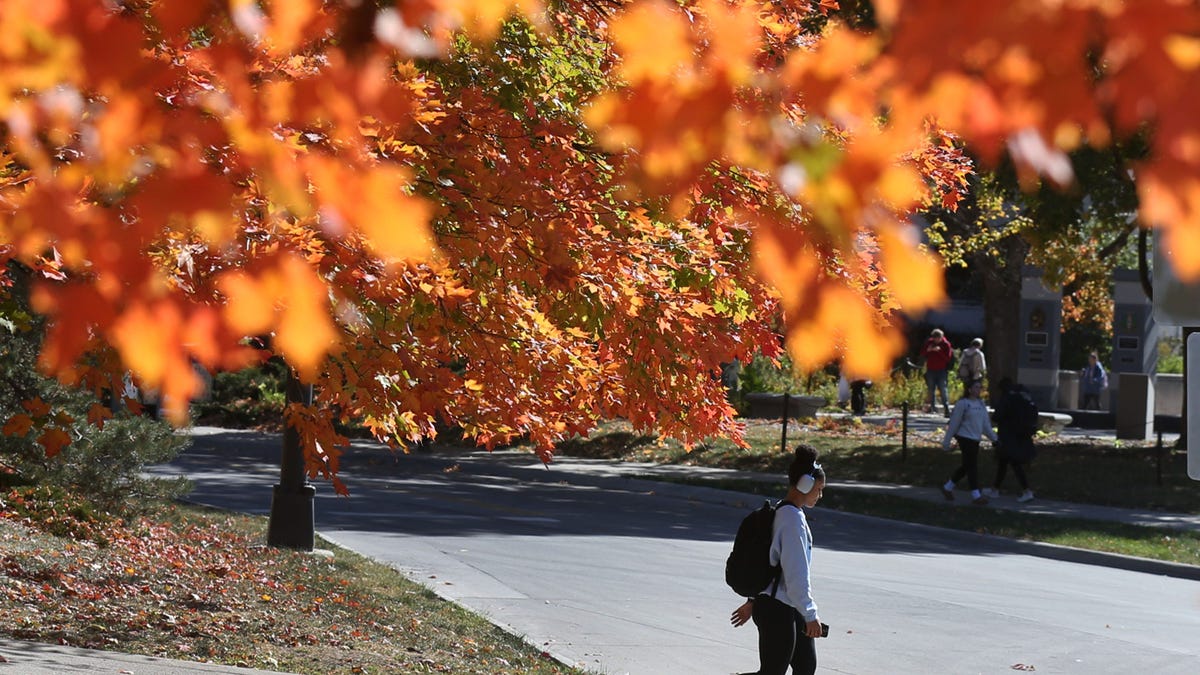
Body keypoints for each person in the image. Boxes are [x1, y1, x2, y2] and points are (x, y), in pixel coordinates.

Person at [731, 444, 826, 675]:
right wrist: (810, 614)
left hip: (786, 605)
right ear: (806, 484)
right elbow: (795, 572)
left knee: (805, 667)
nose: (820, 495)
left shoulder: (789, 513)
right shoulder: (791, 519)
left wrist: (753, 601)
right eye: (820, 489)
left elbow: (772, 565)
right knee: (773, 672)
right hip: (777, 609)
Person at [940, 378, 998, 505]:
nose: (978, 390)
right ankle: (976, 495)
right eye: (976, 387)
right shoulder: (963, 404)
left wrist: (995, 439)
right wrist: (946, 442)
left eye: (980, 387)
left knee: (967, 466)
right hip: (964, 437)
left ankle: (947, 487)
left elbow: (985, 425)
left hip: (975, 439)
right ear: (969, 389)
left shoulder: (981, 404)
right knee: (972, 466)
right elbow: (954, 424)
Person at [985, 378, 1037, 503]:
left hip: (1008, 435)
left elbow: (997, 416)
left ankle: (1027, 491)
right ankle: (995, 489)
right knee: (1003, 462)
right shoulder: (1022, 397)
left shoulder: (1007, 398)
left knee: (1014, 463)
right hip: (1021, 435)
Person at [921, 328, 954, 416]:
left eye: (938, 338)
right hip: (930, 369)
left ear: (941, 337)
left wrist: (939, 351)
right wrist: (928, 350)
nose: (936, 340)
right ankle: (932, 408)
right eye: (934, 338)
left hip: (941, 370)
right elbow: (923, 354)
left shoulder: (946, 344)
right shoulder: (929, 343)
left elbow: (948, 358)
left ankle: (946, 408)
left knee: (943, 389)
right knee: (931, 389)